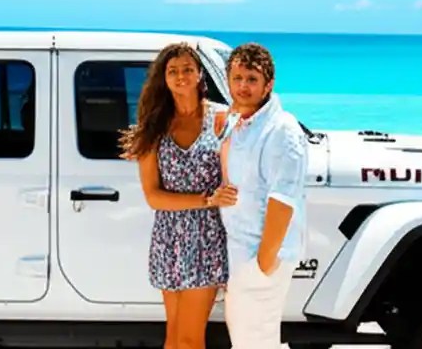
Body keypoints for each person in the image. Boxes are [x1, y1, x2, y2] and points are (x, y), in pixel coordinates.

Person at [120, 42, 238, 349]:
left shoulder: (221, 118)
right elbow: (153, 196)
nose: (181, 76)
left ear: (200, 74)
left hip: (207, 238)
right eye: (173, 71)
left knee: (188, 339)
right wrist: (206, 200)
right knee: (173, 338)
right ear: (164, 78)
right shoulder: (154, 126)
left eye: (187, 69)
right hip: (168, 239)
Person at [217, 43, 309, 349]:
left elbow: (283, 199)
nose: (243, 86)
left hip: (260, 257)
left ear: (268, 84)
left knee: (256, 343)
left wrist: (262, 264)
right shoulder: (240, 122)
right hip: (241, 253)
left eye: (252, 79)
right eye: (237, 78)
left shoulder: (281, 129)